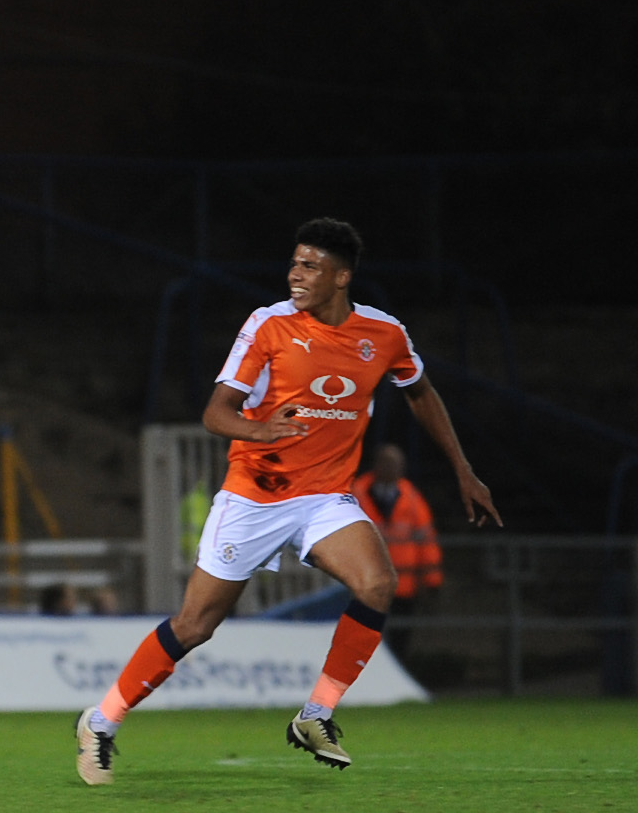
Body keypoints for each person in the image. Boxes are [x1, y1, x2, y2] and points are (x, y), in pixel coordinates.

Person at [76, 218, 501, 782]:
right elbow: (215, 412)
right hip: (254, 495)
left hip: (324, 496)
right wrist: (259, 432)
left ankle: (315, 714)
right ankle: (100, 722)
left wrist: (463, 471)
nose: (295, 275)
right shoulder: (269, 325)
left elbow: (420, 392)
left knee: (377, 582)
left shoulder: (384, 334)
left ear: (342, 276)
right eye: (294, 263)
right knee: (196, 625)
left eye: (310, 266)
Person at [350, 443, 443, 661]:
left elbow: (426, 540)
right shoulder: (357, 493)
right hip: (366, 583)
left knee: (401, 637)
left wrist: (432, 580)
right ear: (377, 465)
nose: (394, 469)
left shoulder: (410, 497)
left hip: (404, 584)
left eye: (398, 464)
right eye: (389, 463)